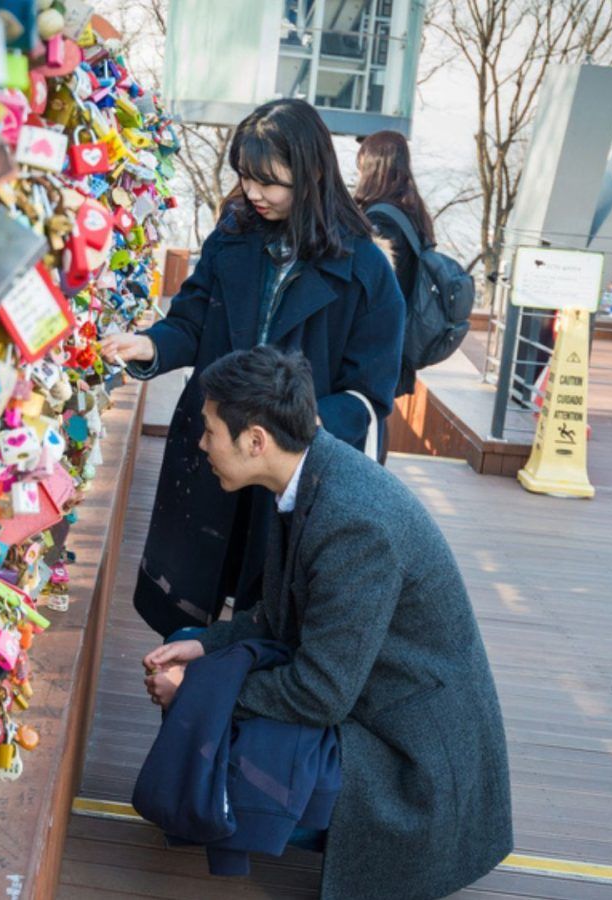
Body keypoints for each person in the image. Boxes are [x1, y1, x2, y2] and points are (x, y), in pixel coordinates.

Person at [140, 347, 512, 900]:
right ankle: (217, 800)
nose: (201, 444)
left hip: (410, 760)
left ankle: (260, 814)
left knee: (233, 738)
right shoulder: (311, 474)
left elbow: (320, 695)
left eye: (210, 431)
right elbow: (276, 617)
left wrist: (198, 694)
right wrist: (206, 649)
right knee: (186, 642)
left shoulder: (354, 523)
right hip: (366, 695)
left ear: (255, 440)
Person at [99, 98, 406, 638]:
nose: (253, 193)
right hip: (213, 439)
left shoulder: (365, 270)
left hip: (290, 460)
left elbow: (369, 394)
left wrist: (298, 425)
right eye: (245, 176)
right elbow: (193, 318)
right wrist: (149, 346)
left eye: (268, 182)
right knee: (190, 596)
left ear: (312, 172)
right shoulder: (233, 234)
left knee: (271, 610)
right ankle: (186, 679)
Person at [354, 129, 437, 400]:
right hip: (399, 341)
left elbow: (372, 287)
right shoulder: (413, 212)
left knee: (367, 415)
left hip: (378, 344)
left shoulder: (381, 219)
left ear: (373, 167)